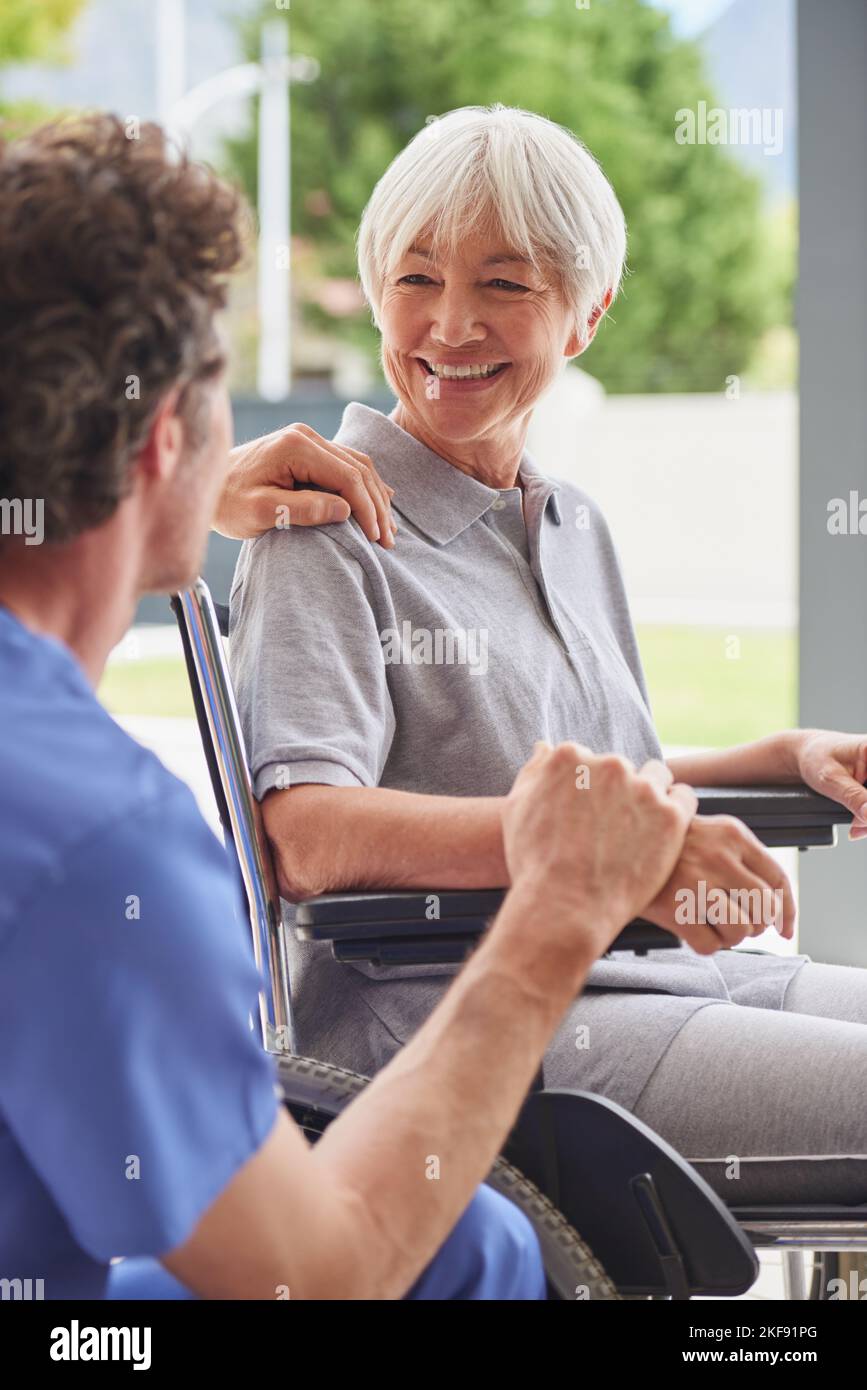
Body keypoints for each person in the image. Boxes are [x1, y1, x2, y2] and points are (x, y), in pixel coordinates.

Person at [0, 112, 699, 1301]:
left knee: (473, 1240)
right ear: (167, 431)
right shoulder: (99, 843)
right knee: (459, 1254)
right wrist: (554, 912)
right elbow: (307, 1276)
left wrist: (164, 498)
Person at [230, 103, 867, 1208]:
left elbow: (591, 778)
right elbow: (303, 835)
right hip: (456, 1023)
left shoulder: (568, 522)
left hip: (656, 976)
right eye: (416, 277)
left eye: (506, 285)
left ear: (586, 315)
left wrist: (781, 754)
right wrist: (603, 860)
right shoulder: (322, 523)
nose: (449, 325)